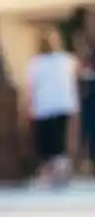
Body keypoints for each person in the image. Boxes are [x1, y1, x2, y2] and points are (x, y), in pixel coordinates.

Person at [26, 27, 80, 186]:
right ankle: (60, 169)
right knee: (60, 141)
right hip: (63, 104)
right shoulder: (67, 60)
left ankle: (55, 171)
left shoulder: (36, 63)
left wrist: (29, 106)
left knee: (49, 141)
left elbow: (31, 86)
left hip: (44, 106)